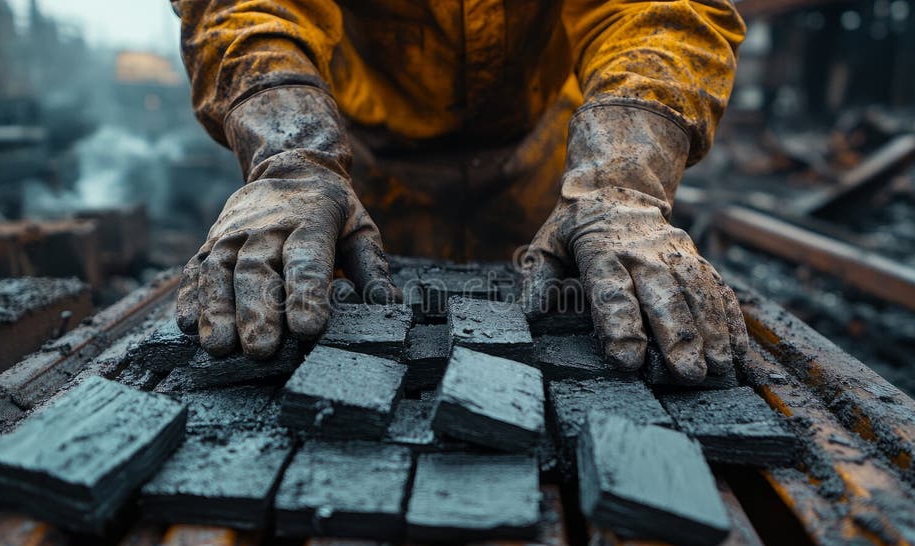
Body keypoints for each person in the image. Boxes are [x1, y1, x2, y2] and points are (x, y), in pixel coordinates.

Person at [172, 1, 749, 385]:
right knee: (336, 333)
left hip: (548, 177)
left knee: (567, 326)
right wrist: (290, 160)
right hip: (351, 181)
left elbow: (658, 13)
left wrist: (621, 184)